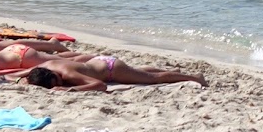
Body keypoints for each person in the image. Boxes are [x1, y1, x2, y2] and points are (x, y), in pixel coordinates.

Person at [24, 55, 206, 90]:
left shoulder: (69, 76)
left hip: (111, 71)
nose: (60, 84)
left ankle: (194, 77)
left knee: (152, 79)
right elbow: (22, 74)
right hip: (100, 61)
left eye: (58, 82)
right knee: (138, 72)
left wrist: (70, 90)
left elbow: (100, 85)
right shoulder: (49, 64)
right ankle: (172, 71)